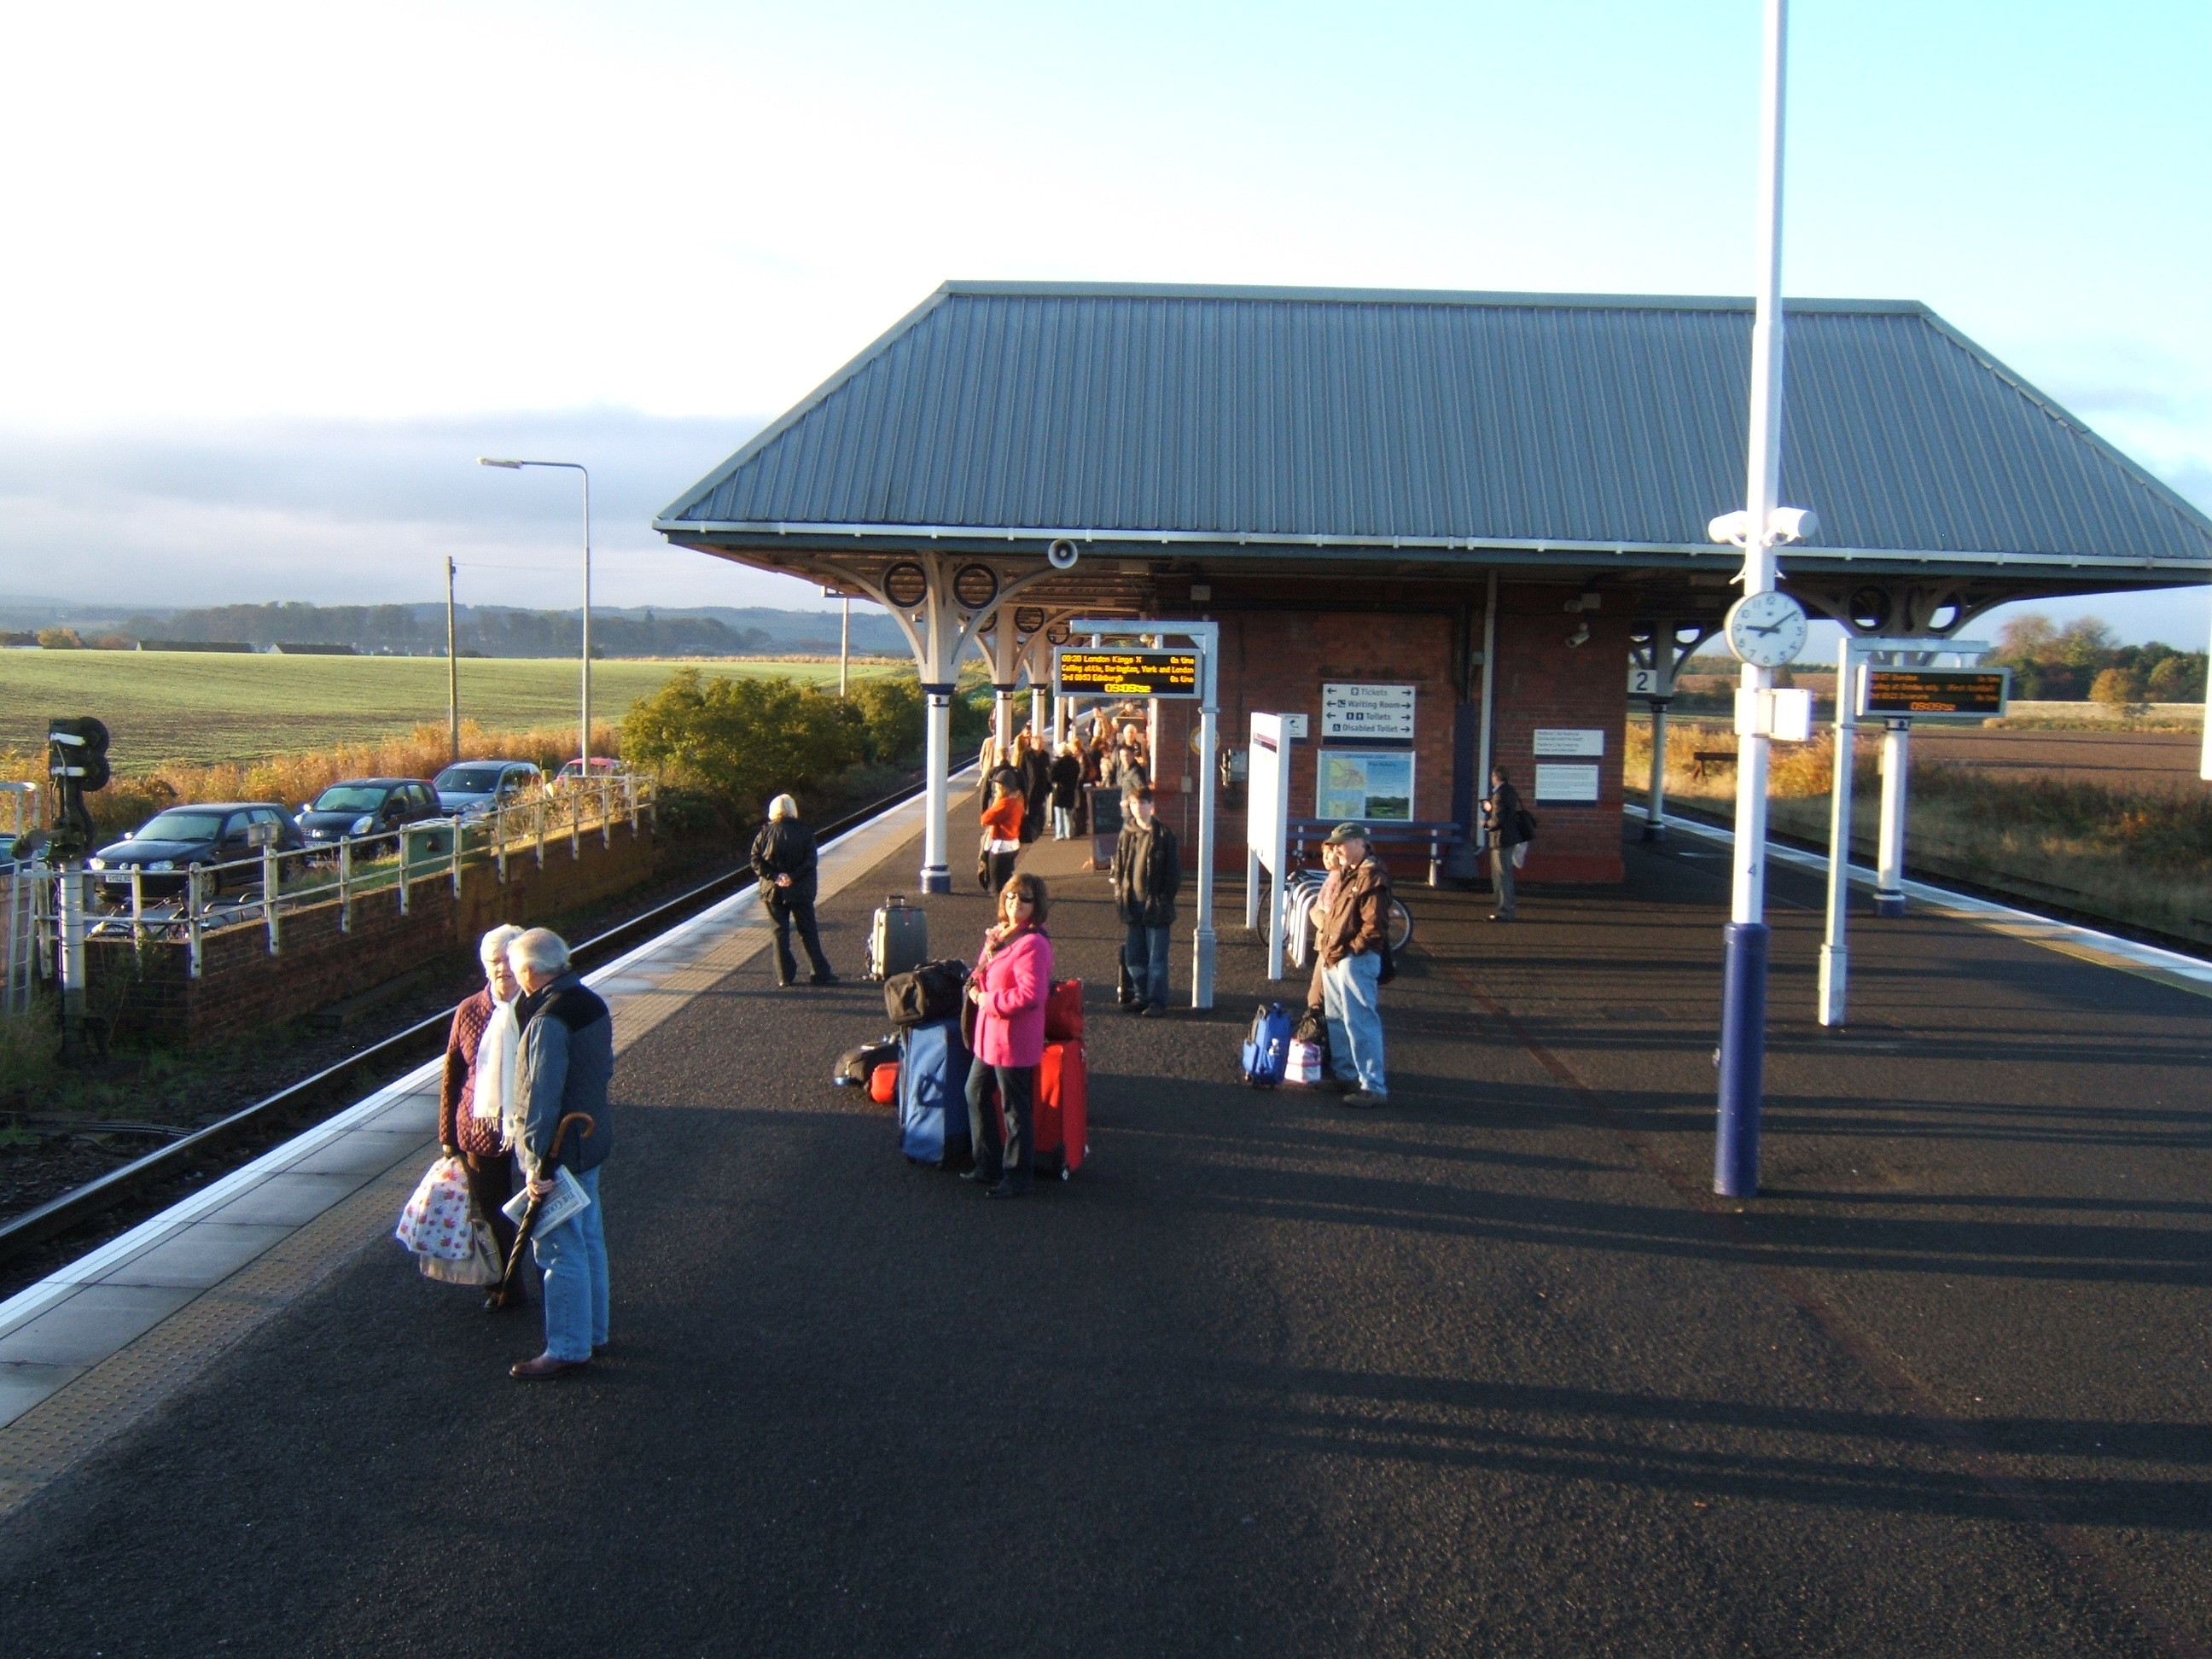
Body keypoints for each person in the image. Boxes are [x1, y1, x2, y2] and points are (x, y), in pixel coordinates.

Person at [506, 928, 614, 1378]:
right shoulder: (590, 1001)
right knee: (589, 1239)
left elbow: (539, 1097)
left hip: (560, 1152)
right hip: (591, 1140)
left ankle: (568, 1348)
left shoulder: (549, 1019)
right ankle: (593, 1331)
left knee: (557, 1247)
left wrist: (534, 1164)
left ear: (530, 971)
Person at [439, 923, 527, 1308]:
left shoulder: (537, 1005)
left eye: (507, 961)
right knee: (491, 1213)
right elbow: (452, 1074)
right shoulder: (469, 1010)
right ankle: (503, 1286)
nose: (500, 970)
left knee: (532, 1210)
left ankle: (549, 1282)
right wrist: (447, 1136)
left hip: (528, 1126)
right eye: (492, 962)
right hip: (479, 1125)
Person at [963, 873, 1053, 1198]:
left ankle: (1018, 1177)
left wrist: (988, 1002)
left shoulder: (1033, 945)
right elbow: (983, 971)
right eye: (1012, 896)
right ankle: (986, 1165)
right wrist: (974, 984)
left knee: (1015, 1110)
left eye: (1025, 898)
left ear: (1036, 904)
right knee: (974, 1093)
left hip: (1012, 1039)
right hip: (989, 1037)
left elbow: (1032, 995)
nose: (1016, 903)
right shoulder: (1001, 934)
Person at [1310, 823, 1391, 1106]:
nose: (1336, 849)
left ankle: (1373, 1086)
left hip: (1353, 958)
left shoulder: (1372, 876)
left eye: (1341, 844)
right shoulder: (1350, 872)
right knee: (1337, 1018)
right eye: (1334, 844)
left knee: (1360, 1021)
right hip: (1336, 955)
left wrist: (1349, 951)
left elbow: (1374, 928)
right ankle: (1346, 1074)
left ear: (1359, 842)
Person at [750, 793, 839, 987]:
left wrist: (776, 876)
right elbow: (810, 861)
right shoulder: (804, 832)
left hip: (773, 891)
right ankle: (819, 973)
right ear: (793, 809)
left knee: (779, 933)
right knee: (808, 931)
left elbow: (755, 860)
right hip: (800, 890)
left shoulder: (764, 834)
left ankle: (784, 976)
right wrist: (792, 876)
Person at [1110, 784, 1180, 1016]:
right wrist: (1120, 895)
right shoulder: (1127, 834)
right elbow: (1120, 868)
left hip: (1156, 906)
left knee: (1156, 960)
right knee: (1134, 956)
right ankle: (1141, 996)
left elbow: (1173, 874)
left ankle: (1157, 1002)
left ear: (1151, 806)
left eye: (1142, 803)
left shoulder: (1164, 835)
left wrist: (1162, 899)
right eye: (1133, 803)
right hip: (1132, 904)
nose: (1137, 808)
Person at [1481, 765, 1527, 922]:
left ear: (1496, 777)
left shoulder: (1499, 794)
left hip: (1501, 839)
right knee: (1505, 874)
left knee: (1501, 876)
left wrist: (1486, 824)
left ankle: (1504, 912)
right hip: (1510, 838)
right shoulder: (1510, 791)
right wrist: (1490, 807)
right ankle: (1507, 910)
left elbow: (1497, 820)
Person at [979, 776, 1024, 893]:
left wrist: (995, 803)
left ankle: (1003, 908)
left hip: (1001, 847)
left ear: (1003, 788)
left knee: (998, 886)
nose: (995, 789)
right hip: (1013, 844)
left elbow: (985, 819)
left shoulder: (1005, 803)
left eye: (998, 787)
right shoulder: (1018, 801)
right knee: (1006, 879)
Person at [1017, 731, 1051, 845]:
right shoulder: (1026, 755)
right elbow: (1022, 770)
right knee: (1030, 809)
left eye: (1042, 743)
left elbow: (1048, 770)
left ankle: (1039, 829)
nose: (1042, 745)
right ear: (1033, 744)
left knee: (1041, 808)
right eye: (1040, 743)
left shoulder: (1045, 755)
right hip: (1029, 787)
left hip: (1042, 786)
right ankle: (1030, 831)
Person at [1049, 742, 1083, 841]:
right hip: (1071, 789)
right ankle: (1068, 833)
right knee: (1068, 813)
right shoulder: (1074, 762)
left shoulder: (1057, 763)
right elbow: (1078, 774)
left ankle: (1060, 834)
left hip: (1059, 789)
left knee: (1059, 812)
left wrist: (1055, 782)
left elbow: (1051, 776)